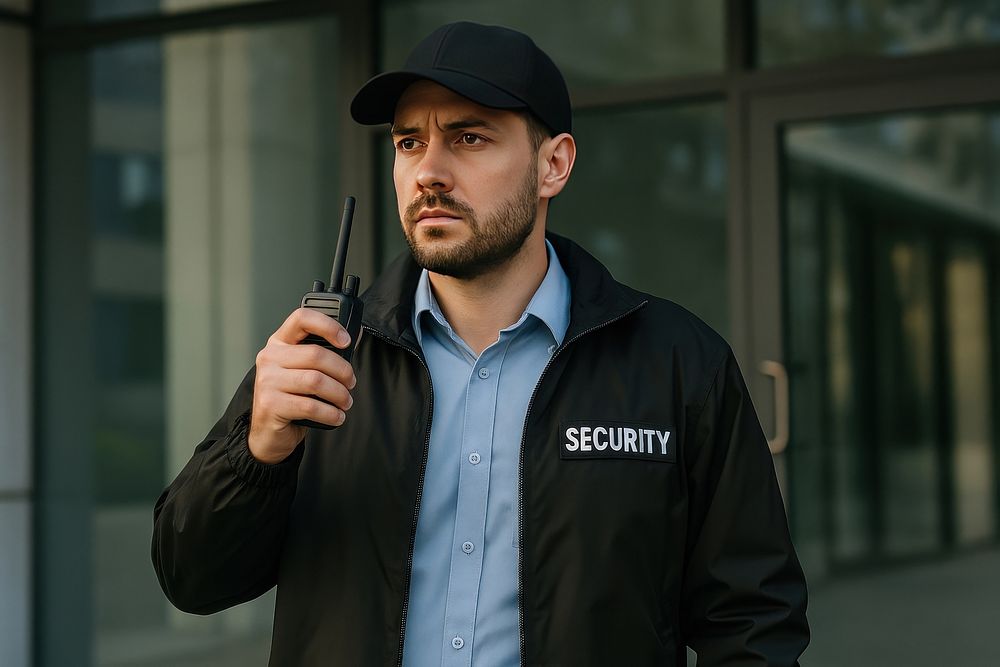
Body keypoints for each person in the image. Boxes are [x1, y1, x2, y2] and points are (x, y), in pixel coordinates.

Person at [152, 21, 809, 666]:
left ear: (554, 164)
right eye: (409, 143)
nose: (428, 171)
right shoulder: (321, 357)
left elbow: (752, 620)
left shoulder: (676, 362)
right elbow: (192, 580)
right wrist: (258, 450)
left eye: (468, 138)